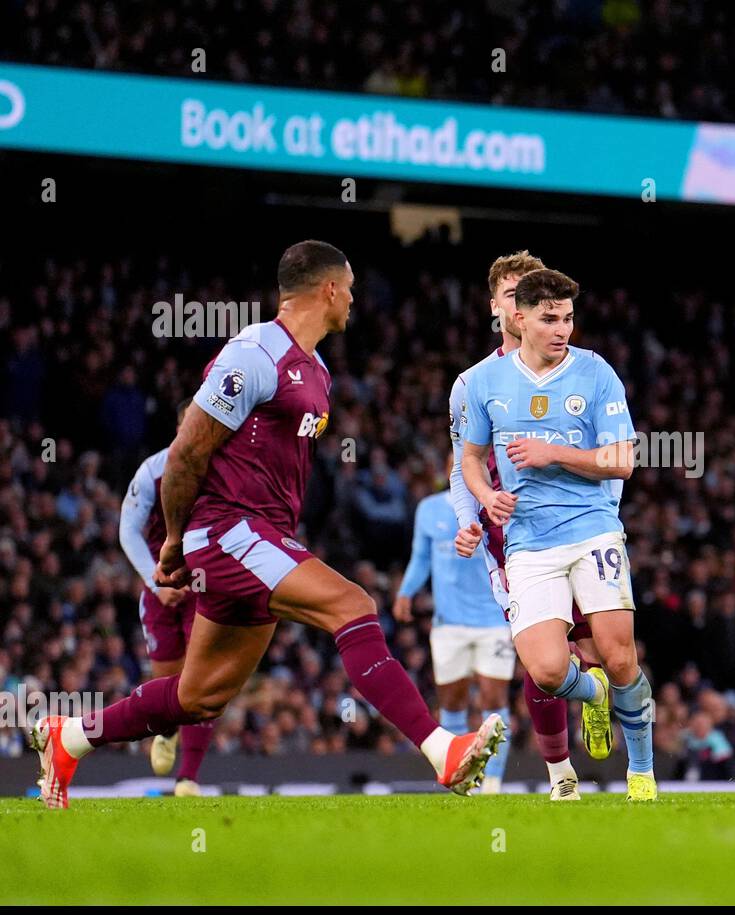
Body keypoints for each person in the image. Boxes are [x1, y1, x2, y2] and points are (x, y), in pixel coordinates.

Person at [30, 240, 501, 808]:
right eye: (349, 287)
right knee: (353, 606)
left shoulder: (317, 370)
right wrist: (177, 541)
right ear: (328, 288)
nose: (354, 299)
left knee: (197, 699)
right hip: (231, 532)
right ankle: (440, 748)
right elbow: (185, 455)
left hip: (260, 538)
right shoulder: (253, 354)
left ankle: (69, 738)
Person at [460, 267, 658, 800]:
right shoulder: (480, 382)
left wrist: (554, 454)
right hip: (527, 541)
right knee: (547, 672)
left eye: (568, 317)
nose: (562, 329)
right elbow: (470, 459)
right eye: (550, 319)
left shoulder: (596, 373)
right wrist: (483, 498)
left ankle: (640, 771)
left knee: (619, 657)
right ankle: (588, 690)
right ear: (518, 319)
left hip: (593, 531)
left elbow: (622, 461)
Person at [394, 454, 515, 794]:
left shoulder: (495, 504)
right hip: (448, 624)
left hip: (493, 620)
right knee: (453, 702)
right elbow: (420, 558)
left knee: (493, 700)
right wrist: (406, 592)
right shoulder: (429, 510)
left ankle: (492, 783)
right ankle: (462, 780)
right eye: (454, 463)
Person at [118, 401, 211, 795]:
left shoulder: (222, 470)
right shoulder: (151, 472)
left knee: (203, 680)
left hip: (206, 587)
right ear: (180, 424)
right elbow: (128, 531)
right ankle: (167, 730)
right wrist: (158, 585)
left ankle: (188, 777)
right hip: (160, 589)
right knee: (170, 683)